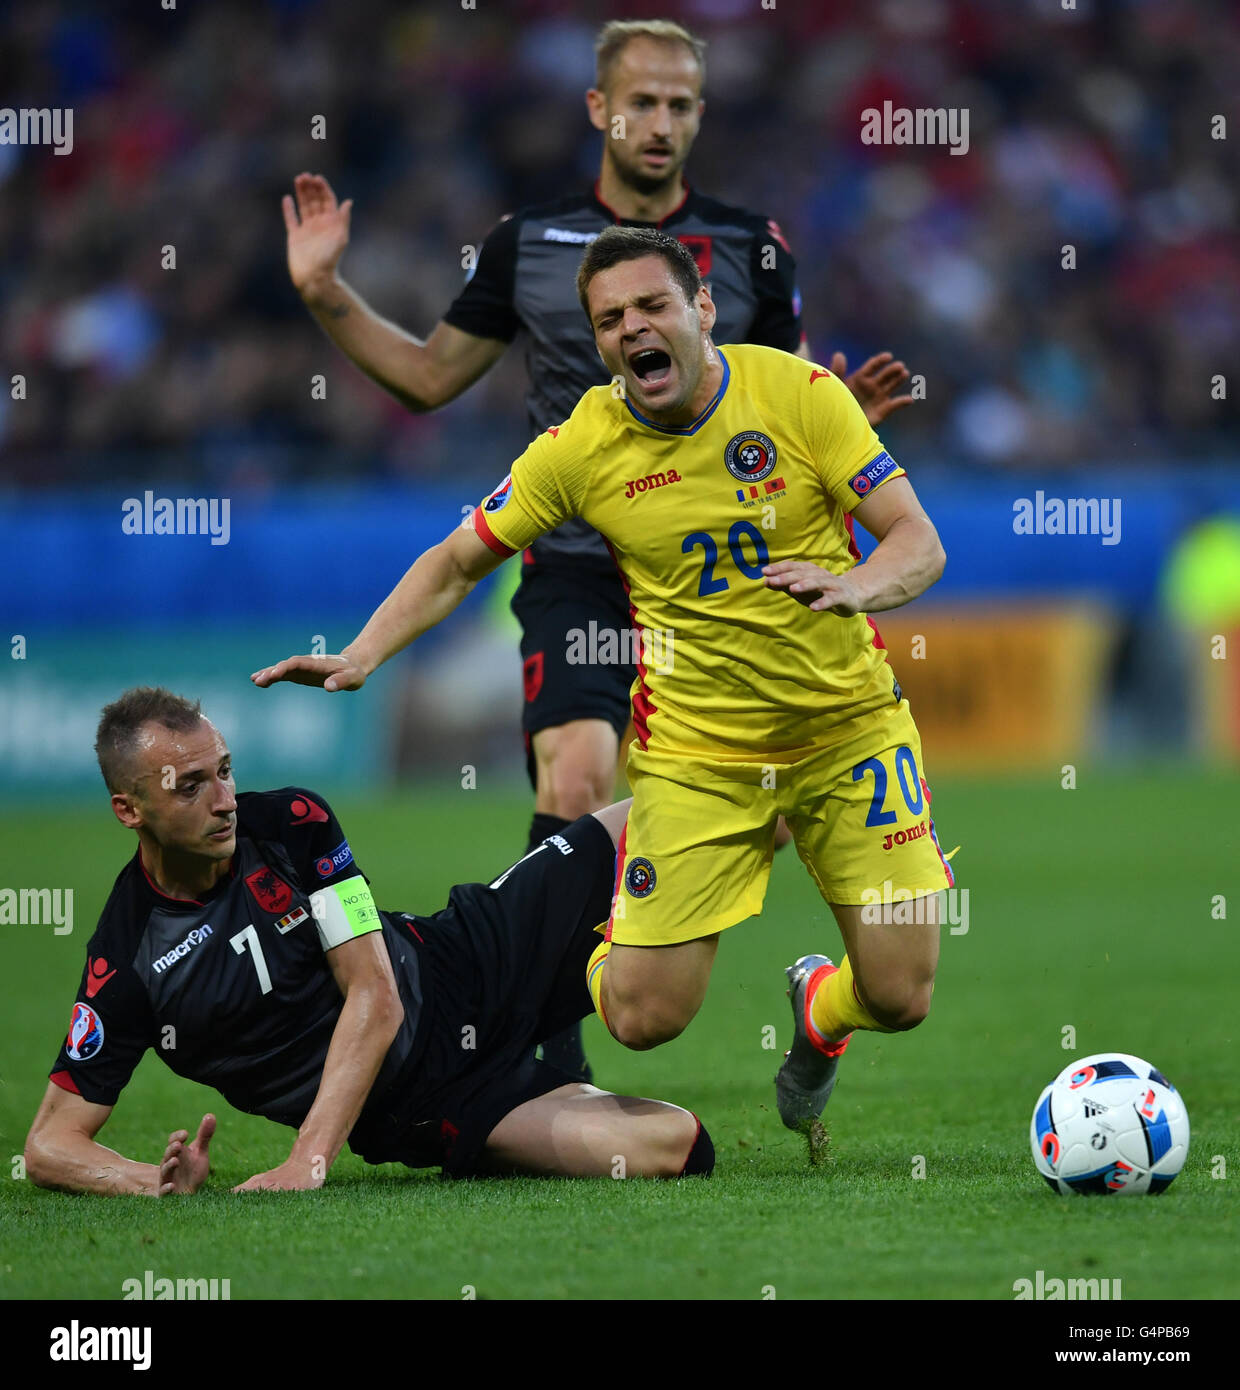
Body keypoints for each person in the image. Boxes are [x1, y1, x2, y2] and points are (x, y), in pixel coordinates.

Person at [283, 18, 914, 1080]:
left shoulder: (751, 244)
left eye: (680, 104)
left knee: (813, 862)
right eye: (642, 102)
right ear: (598, 109)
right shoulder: (527, 242)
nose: (659, 122)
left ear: (700, 116)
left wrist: (840, 424)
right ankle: (544, 1055)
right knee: (576, 775)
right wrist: (325, 295)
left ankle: (756, 914)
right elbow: (430, 378)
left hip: (726, 567)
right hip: (581, 555)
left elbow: (780, 394)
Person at [252, 225, 955, 1138]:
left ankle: (821, 1008)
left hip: (851, 731)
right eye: (611, 319)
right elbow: (460, 560)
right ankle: (607, 914)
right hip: (699, 757)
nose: (634, 329)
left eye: (653, 306)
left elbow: (918, 542)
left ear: (701, 309)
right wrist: (363, 652)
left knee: (900, 997)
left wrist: (852, 585)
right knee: (641, 1020)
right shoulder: (584, 446)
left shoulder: (801, 394)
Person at [23, 687, 713, 1196]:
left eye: (225, 771)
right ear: (129, 810)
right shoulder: (128, 961)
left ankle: (818, 977)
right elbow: (50, 1144)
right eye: (191, 787)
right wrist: (152, 1181)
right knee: (681, 1147)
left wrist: (309, 1157)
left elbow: (376, 995)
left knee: (691, 809)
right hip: (434, 1100)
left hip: (469, 956)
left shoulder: (293, 823)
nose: (225, 800)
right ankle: (598, 985)